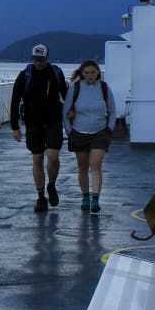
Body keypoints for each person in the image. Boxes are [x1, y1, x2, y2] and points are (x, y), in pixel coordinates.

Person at [10, 44, 68, 212]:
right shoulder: (25, 75)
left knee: (53, 156)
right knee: (37, 159)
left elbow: (65, 95)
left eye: (41, 60)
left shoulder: (56, 73)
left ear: (47, 58)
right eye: (35, 60)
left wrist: (72, 112)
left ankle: (51, 184)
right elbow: (14, 102)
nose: (38, 63)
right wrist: (15, 127)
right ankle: (41, 197)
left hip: (53, 120)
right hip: (33, 122)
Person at [62, 59, 116, 214]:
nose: (90, 75)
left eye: (93, 72)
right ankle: (85, 197)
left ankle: (95, 199)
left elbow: (112, 110)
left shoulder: (104, 88)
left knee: (96, 164)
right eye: (87, 73)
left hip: (100, 132)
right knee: (83, 167)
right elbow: (65, 112)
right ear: (82, 73)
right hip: (79, 132)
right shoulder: (75, 88)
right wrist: (69, 131)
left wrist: (109, 129)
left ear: (98, 72)